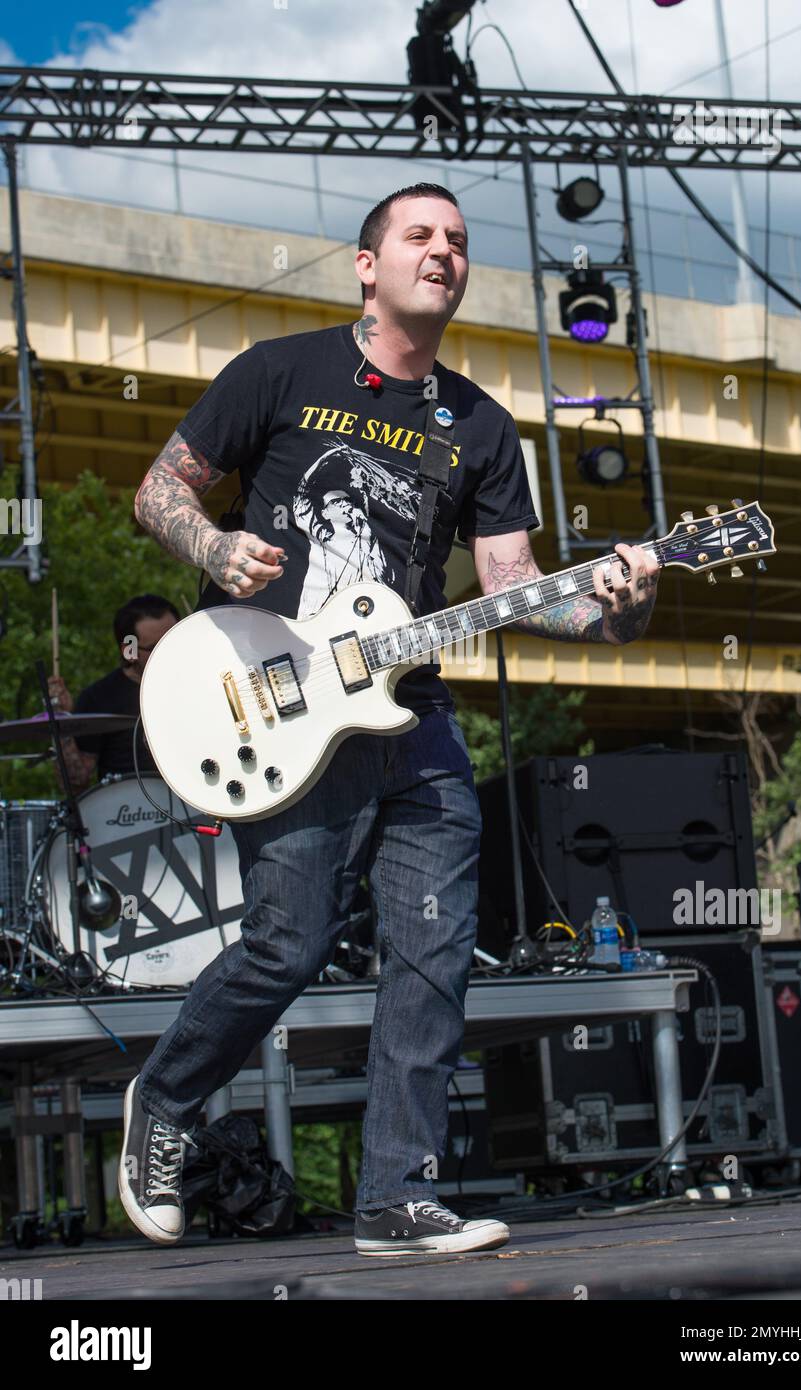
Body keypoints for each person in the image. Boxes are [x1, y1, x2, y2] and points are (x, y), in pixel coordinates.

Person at [119, 182, 660, 1256]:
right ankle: (165, 1101)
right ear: (366, 264)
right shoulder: (281, 371)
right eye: (420, 235)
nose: (443, 251)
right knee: (288, 942)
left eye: (458, 241)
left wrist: (616, 601)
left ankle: (396, 1197)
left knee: (433, 949)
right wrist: (215, 551)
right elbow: (159, 491)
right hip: (276, 701)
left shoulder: (482, 427)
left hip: (410, 713)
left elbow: (518, 587)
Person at [47, 595, 180, 792]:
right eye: (154, 647)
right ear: (130, 651)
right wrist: (61, 719)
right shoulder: (98, 697)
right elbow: (76, 781)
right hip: (127, 813)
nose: (168, 651)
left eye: (173, 639)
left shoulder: (199, 682)